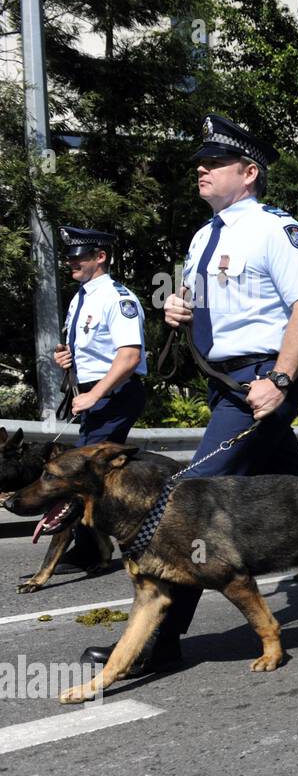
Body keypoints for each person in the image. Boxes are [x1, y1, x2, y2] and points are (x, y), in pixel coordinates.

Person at [82, 114, 298, 671]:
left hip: (261, 381)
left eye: (214, 162)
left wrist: (282, 380)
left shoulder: (275, 227)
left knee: (186, 504)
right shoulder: (202, 236)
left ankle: (156, 643)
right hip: (224, 384)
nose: (201, 168)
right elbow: (207, 307)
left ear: (248, 172)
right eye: (202, 161)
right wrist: (177, 311)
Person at [51, 226, 147, 572]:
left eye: (78, 256)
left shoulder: (117, 299)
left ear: (100, 257)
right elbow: (92, 350)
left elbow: (129, 357)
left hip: (114, 394)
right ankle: (113, 539)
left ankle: (91, 549)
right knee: (98, 472)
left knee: (83, 470)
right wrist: (66, 358)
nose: (71, 262)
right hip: (93, 394)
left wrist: (95, 393)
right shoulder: (81, 297)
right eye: (70, 256)